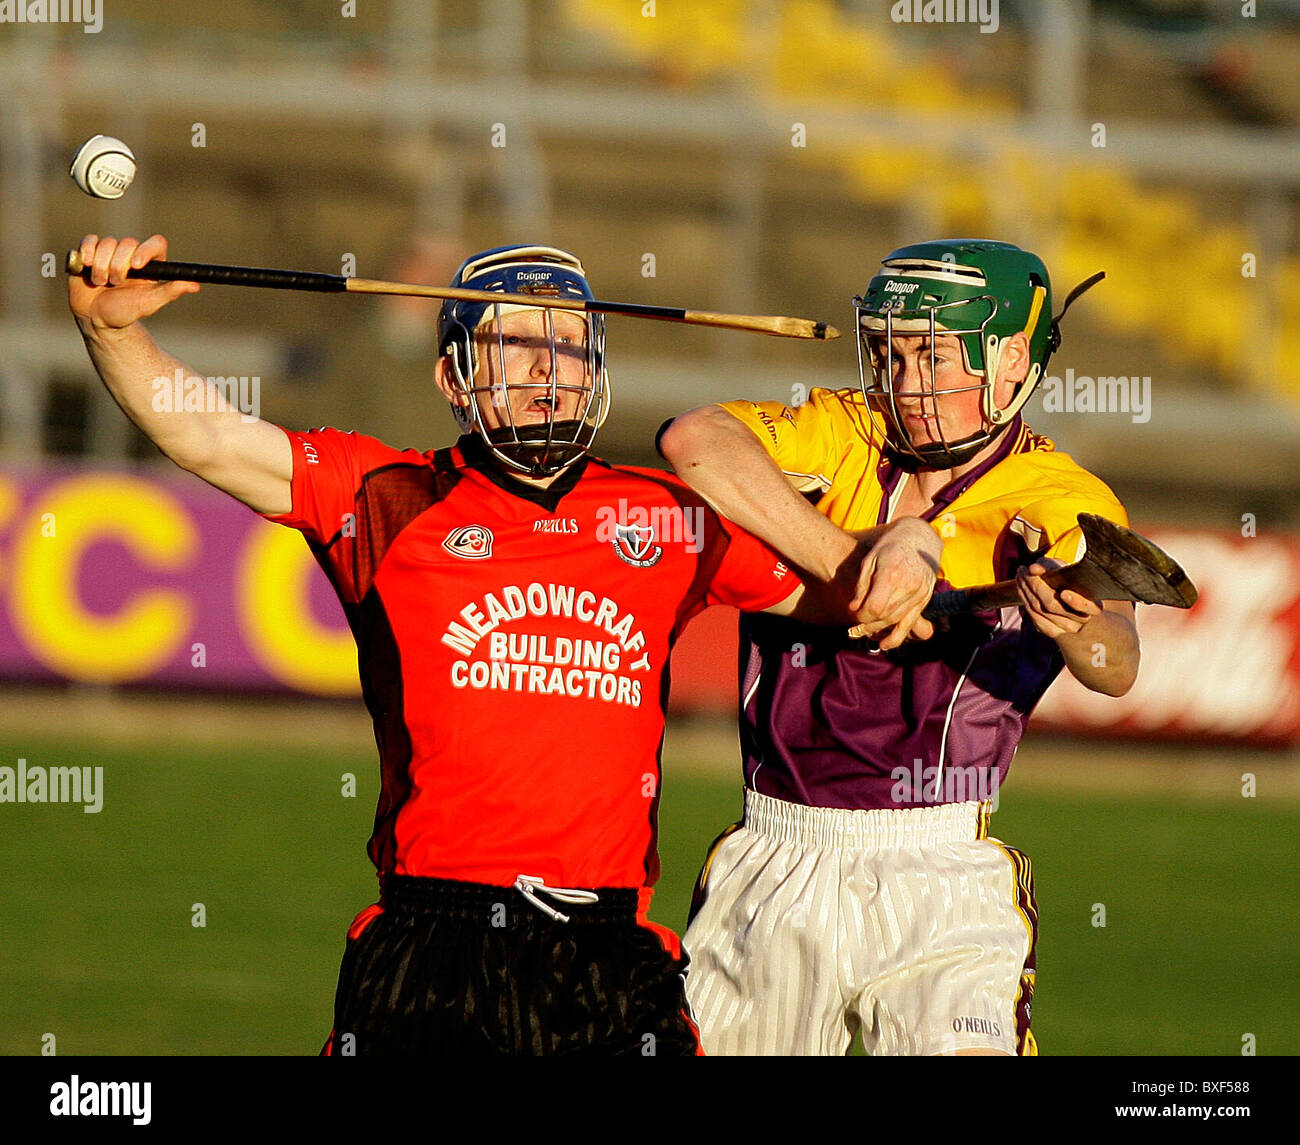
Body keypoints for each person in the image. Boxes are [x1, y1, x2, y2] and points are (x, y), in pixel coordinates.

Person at [67, 233, 935, 1056]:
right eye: (515, 343)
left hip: (608, 955)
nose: (548, 366)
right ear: (454, 376)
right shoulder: (382, 497)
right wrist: (113, 332)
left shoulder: (671, 514)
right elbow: (208, 436)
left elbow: (857, 594)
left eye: (571, 344)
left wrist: (912, 541)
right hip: (429, 950)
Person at [658, 238, 1141, 1057]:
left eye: (932, 354)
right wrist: (868, 560)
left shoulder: (1061, 496)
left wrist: (1080, 626)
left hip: (943, 870)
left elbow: (1119, 666)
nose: (906, 383)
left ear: (1011, 361)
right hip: (777, 853)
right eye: (889, 352)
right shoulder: (842, 429)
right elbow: (694, 439)